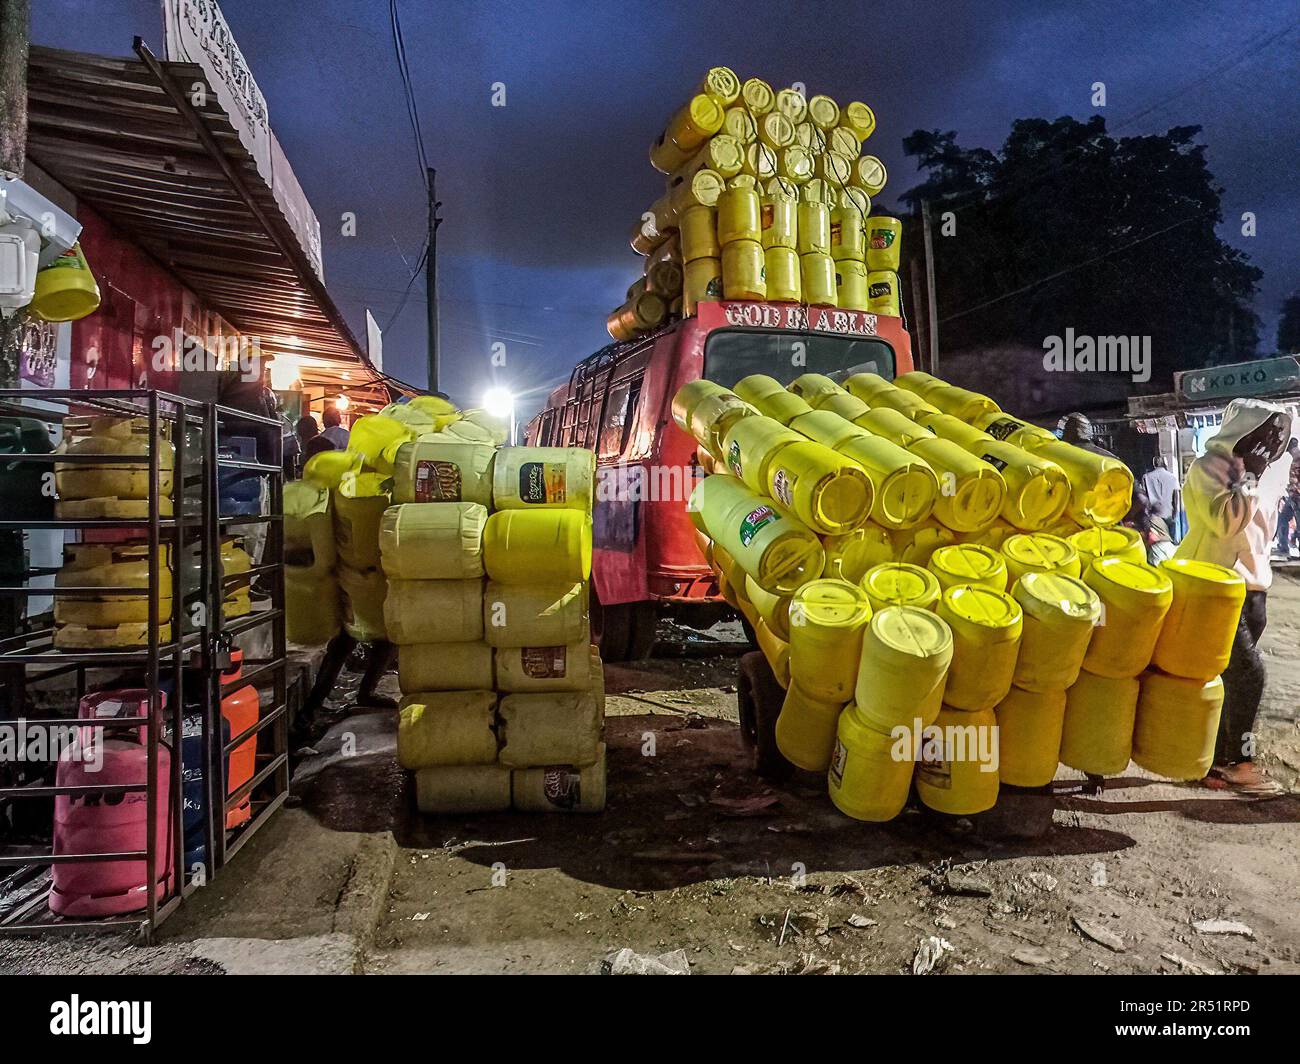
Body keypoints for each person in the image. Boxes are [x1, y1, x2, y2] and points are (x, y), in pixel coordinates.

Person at [1175, 398, 1293, 796]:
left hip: (1252, 591)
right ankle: (1240, 763)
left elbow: (1262, 534)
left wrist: (1260, 474)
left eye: (1279, 433)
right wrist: (1251, 476)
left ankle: (1212, 763)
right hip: (1216, 585)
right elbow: (1227, 522)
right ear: (1244, 429)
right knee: (1249, 676)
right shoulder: (1208, 468)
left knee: (1228, 683)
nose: (1271, 442)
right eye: (1265, 431)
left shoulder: (1271, 472)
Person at [1140, 455, 1181, 542]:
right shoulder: (1173, 478)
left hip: (1154, 516)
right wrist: (1175, 512)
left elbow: (1143, 497)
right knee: (1171, 542)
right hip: (1169, 513)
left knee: (1157, 543)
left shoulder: (1146, 477)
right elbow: (1176, 497)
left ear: (1154, 464)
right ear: (1165, 464)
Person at [1273, 438, 1300, 559]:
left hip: (1297, 497)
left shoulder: (1298, 459)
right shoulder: (1294, 459)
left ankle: (1286, 548)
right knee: (1282, 519)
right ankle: (1283, 548)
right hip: (1292, 497)